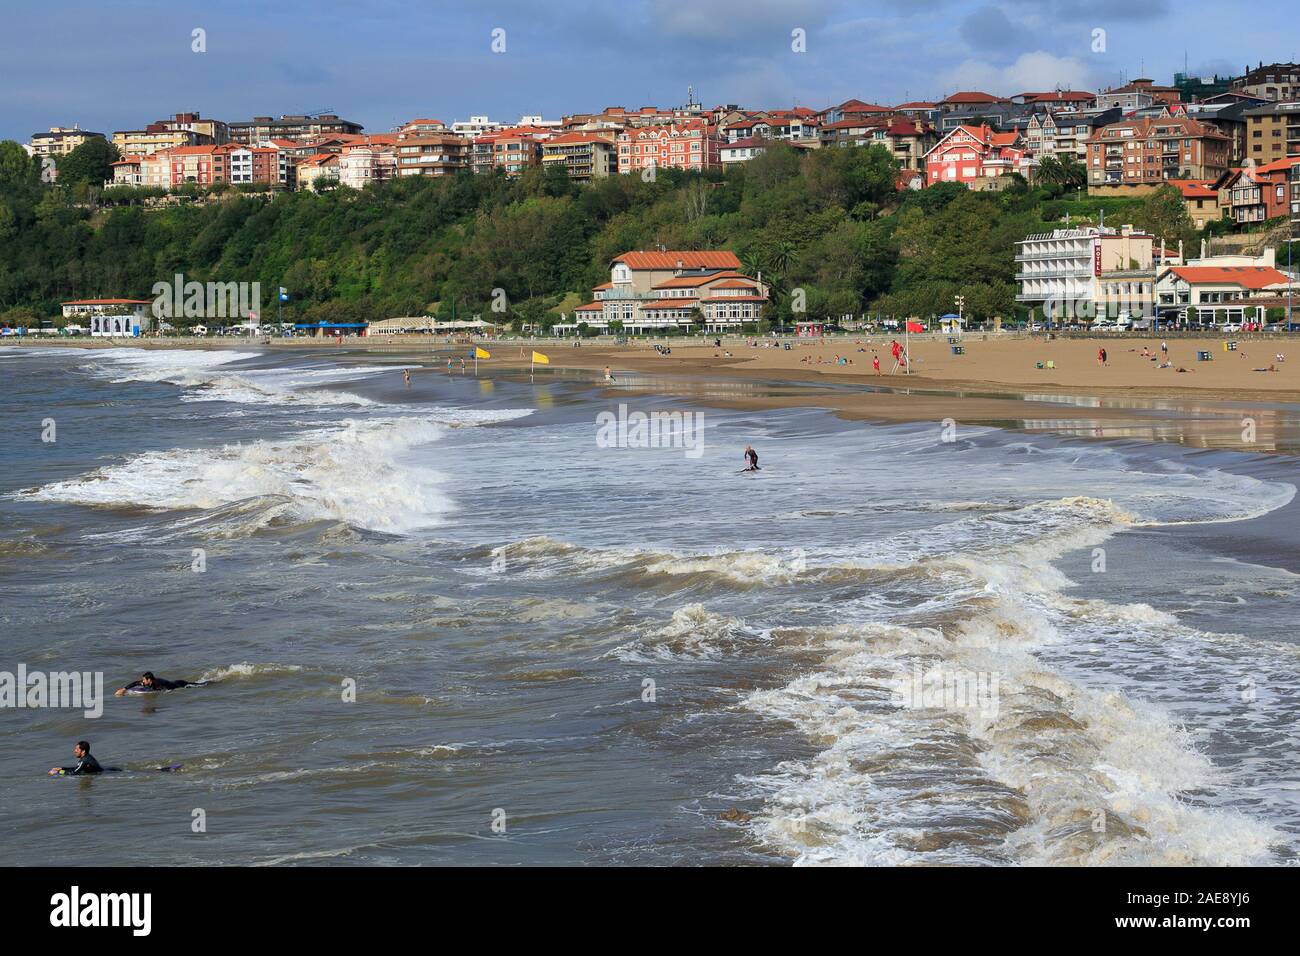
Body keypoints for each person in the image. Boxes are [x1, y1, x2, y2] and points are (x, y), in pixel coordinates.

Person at [114, 671, 204, 697]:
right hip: (175, 683)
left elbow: (168, 689)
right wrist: (124, 689)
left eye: (144, 680)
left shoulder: (159, 683)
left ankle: (211, 682)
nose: (143, 681)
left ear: (149, 680)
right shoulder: (145, 682)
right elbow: (135, 683)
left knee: (199, 685)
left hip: (180, 684)